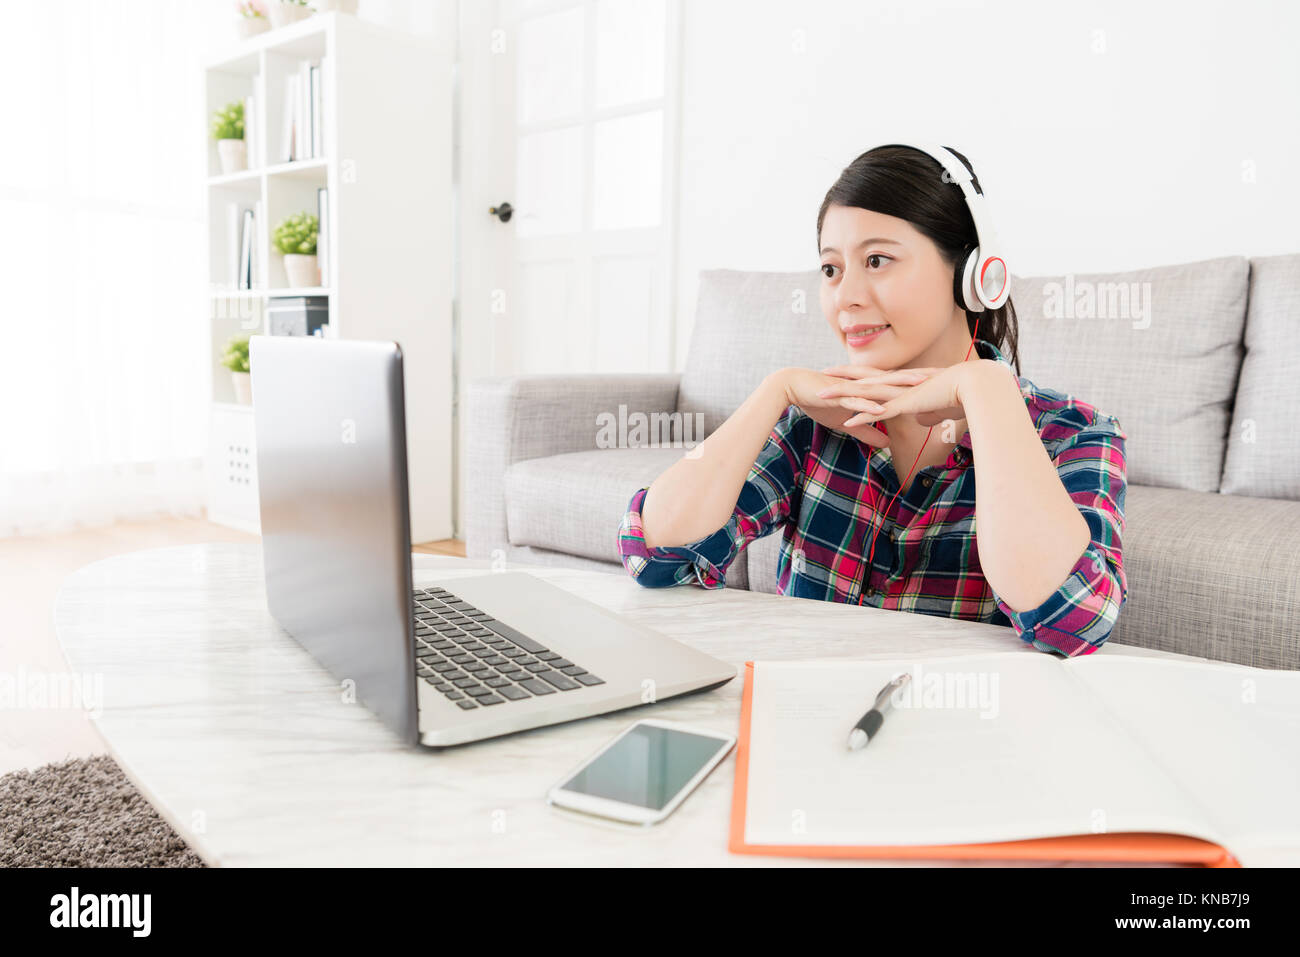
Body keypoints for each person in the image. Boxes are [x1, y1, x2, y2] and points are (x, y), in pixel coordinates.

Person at [616, 144, 1128, 657]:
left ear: (973, 274)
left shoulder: (1074, 433)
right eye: (831, 269)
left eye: (877, 260)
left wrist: (986, 388)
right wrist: (775, 390)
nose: (845, 297)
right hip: (808, 712)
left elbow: (1073, 623)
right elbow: (655, 555)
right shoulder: (815, 421)